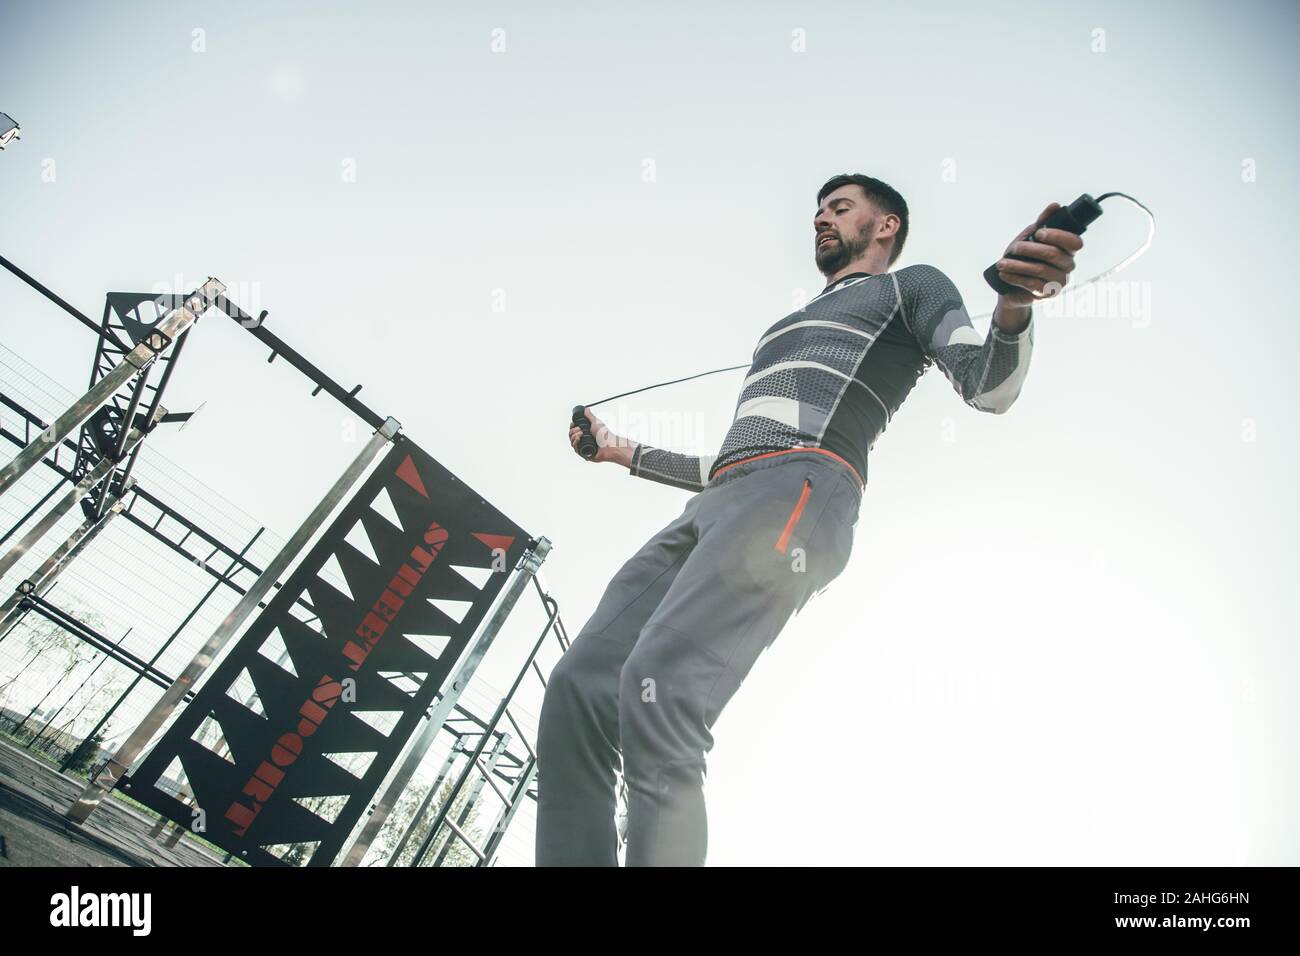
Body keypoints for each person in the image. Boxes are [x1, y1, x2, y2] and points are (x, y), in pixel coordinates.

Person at [535, 173, 1083, 866]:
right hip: (717, 501)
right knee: (580, 685)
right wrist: (620, 452)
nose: (822, 218)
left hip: (801, 488)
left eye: (841, 208)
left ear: (885, 226)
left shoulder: (911, 286)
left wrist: (1013, 302)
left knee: (662, 682)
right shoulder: (782, 329)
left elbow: (989, 386)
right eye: (819, 209)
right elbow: (731, 457)